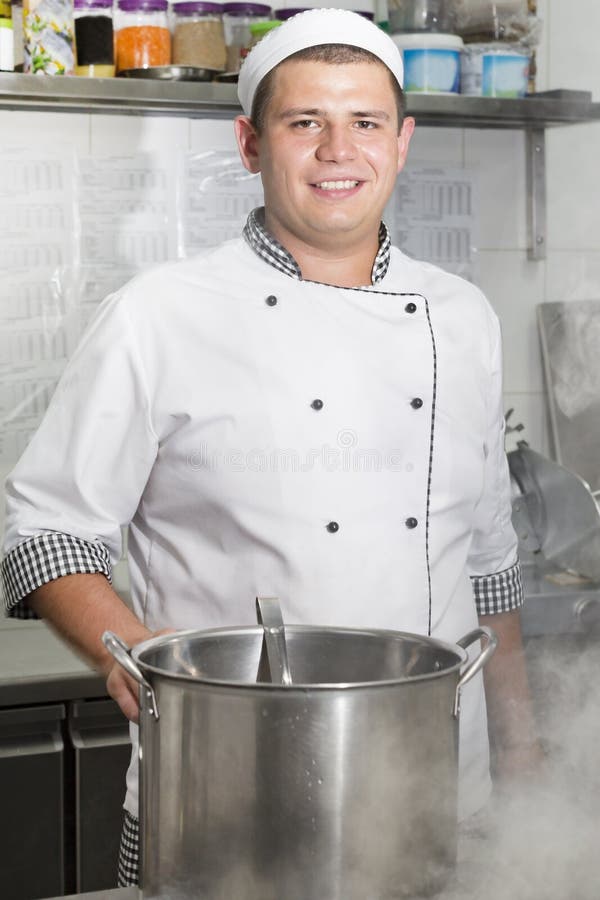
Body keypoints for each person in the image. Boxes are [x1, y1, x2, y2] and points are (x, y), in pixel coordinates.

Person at [1, 8, 542, 888]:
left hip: (447, 793)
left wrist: (521, 760)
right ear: (252, 146)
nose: (339, 151)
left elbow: (489, 566)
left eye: (364, 123)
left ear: (401, 143)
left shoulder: (463, 316)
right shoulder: (161, 315)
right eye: (305, 124)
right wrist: (129, 655)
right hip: (230, 791)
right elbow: (47, 533)